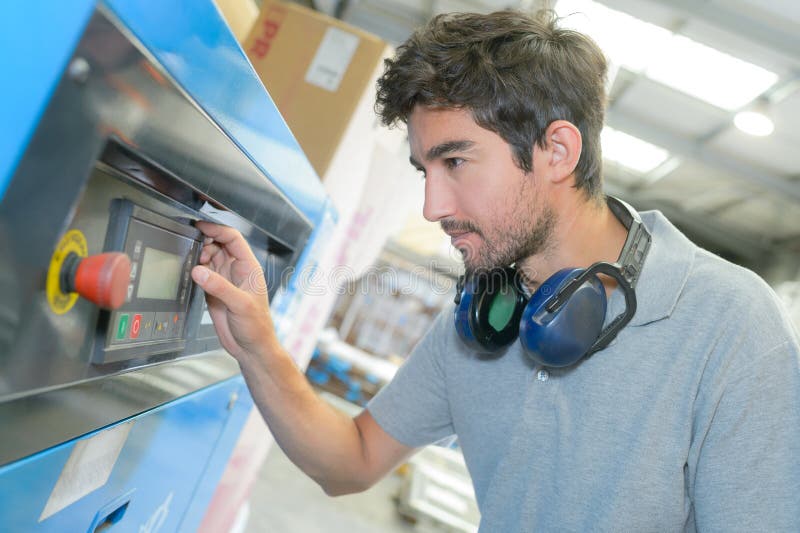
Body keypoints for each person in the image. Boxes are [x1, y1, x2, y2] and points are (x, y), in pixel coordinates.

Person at [191, 9, 800, 532]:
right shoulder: (486, 315)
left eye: (455, 161)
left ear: (557, 151)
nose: (433, 207)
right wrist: (257, 343)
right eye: (424, 170)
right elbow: (350, 461)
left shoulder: (727, 325)